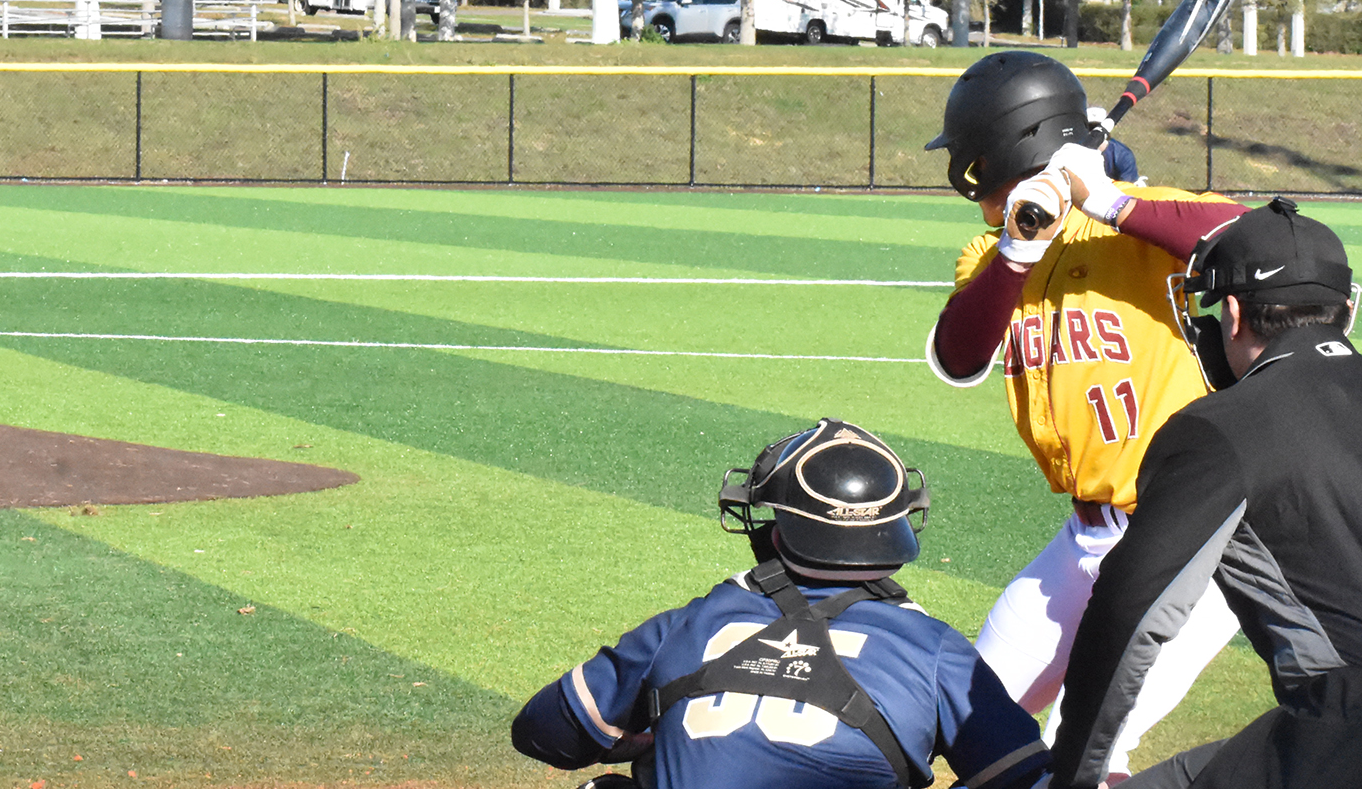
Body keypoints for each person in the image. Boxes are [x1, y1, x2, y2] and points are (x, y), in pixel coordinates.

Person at [921, 52, 1248, 782]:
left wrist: (1106, 198)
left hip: (1189, 542)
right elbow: (959, 355)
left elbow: (1266, 243)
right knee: (967, 716)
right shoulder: (993, 249)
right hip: (1083, 539)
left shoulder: (1137, 226)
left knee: (1089, 753)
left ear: (992, 150)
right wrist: (1018, 245)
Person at [511, 419, 1051, 789]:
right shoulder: (934, 648)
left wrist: (641, 742)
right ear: (894, 529)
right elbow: (1028, 776)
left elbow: (543, 733)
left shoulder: (689, 625)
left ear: (777, 531)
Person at [1051, 198, 1362, 789]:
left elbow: (1130, 616)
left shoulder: (1219, 428)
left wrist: (1072, 775)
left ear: (1235, 315)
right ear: (1346, 311)